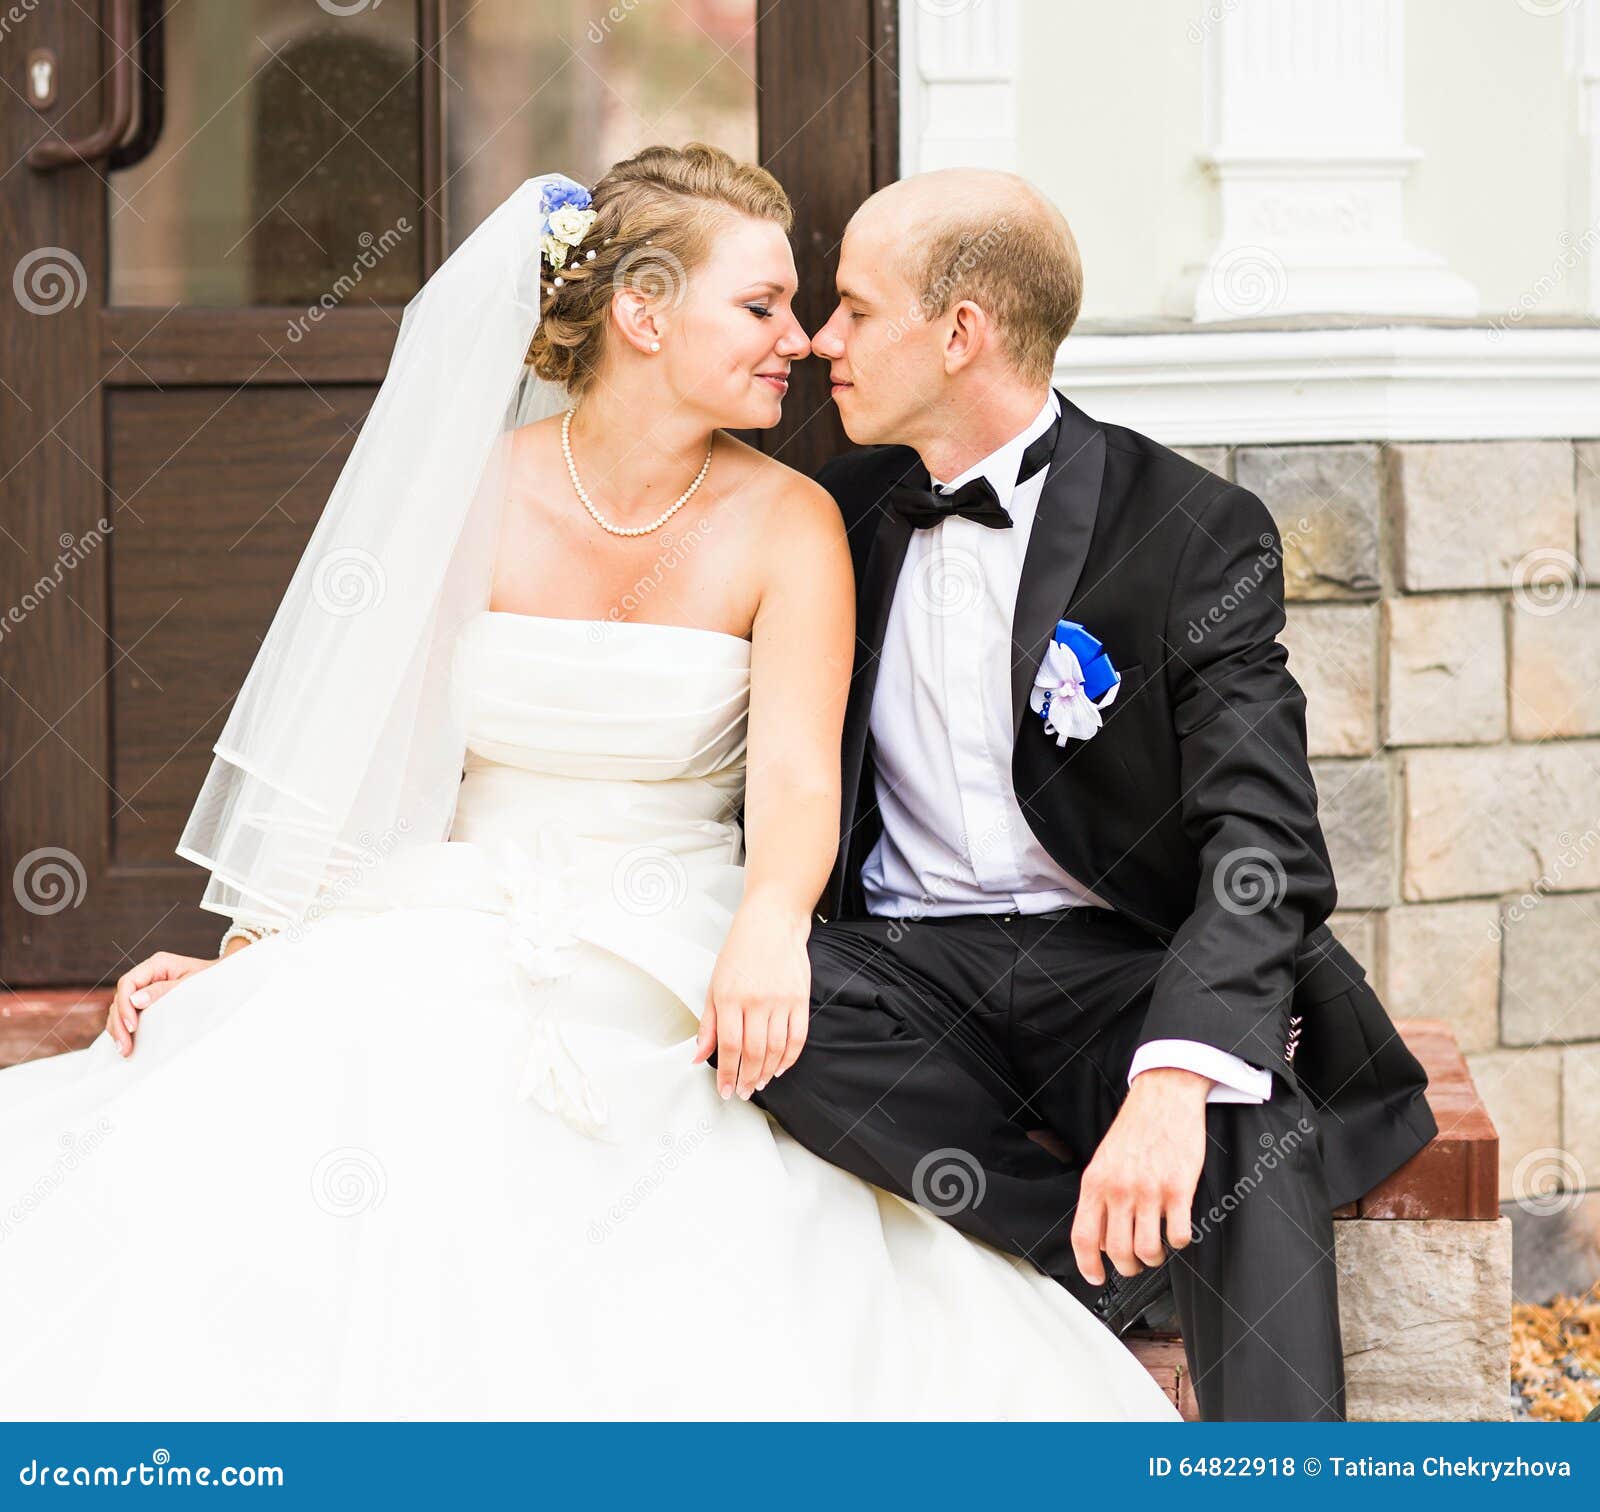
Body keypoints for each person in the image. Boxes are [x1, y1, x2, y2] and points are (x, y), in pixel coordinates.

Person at [0, 146, 1178, 1422]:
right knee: (323, 1076)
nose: (799, 339)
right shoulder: (475, 495)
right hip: (449, 901)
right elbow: (369, 754)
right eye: (762, 305)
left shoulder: (792, 521)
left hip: (671, 923)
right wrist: (251, 944)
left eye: (801, 306)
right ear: (641, 312)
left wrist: (773, 929)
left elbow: (793, 787)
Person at [751, 168, 1439, 1423]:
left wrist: (1171, 1081)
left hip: (1112, 960)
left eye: (852, 308)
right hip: (905, 968)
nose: (819, 342)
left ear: (958, 334)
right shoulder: (828, 517)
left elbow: (1265, 842)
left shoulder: (1186, 530)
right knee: (768, 1024)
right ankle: (1090, 1257)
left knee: (1236, 1105)